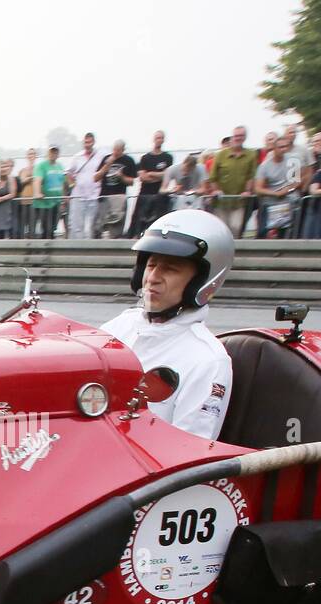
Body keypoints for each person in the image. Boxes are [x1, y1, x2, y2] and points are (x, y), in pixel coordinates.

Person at [100, 209, 235, 441]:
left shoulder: (207, 361)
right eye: (151, 265)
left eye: (170, 269)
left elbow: (189, 455)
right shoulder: (120, 326)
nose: (152, 277)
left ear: (201, 281)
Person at [208, 126, 257, 237]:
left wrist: (248, 191)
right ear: (232, 137)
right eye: (236, 136)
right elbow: (213, 176)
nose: (238, 138)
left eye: (241, 136)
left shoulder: (251, 155)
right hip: (221, 201)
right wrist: (216, 190)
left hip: (239, 201)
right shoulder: (221, 154)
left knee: (236, 228)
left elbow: (251, 176)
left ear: (245, 137)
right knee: (221, 230)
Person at [130, 130, 173, 237]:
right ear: (154, 139)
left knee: (159, 220)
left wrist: (152, 173)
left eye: (161, 138)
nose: (159, 140)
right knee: (141, 220)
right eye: (158, 138)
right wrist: (159, 175)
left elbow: (168, 175)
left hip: (160, 195)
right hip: (145, 194)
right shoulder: (145, 158)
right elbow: (143, 177)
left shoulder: (168, 157)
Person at [255, 137, 301, 237]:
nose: (283, 149)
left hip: (288, 201)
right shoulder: (264, 166)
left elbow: (296, 182)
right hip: (270, 202)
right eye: (280, 147)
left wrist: (287, 190)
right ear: (274, 149)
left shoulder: (294, 161)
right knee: (263, 231)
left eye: (285, 147)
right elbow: (258, 188)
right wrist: (276, 193)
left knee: (285, 232)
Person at [95, 139, 137, 238]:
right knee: (101, 224)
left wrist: (122, 176)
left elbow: (132, 182)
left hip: (119, 197)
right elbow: (96, 178)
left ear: (123, 150)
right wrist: (107, 165)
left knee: (116, 225)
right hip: (105, 196)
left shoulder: (129, 160)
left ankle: (115, 239)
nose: (115, 152)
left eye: (118, 150)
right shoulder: (106, 159)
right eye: (114, 150)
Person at [66, 132, 105, 238]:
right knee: (77, 225)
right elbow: (68, 172)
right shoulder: (77, 157)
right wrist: (71, 185)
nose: (87, 144)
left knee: (90, 226)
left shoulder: (100, 156)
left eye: (89, 142)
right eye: (86, 142)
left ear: (93, 142)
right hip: (78, 196)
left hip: (94, 195)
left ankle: (89, 247)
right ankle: (77, 249)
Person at [32, 145, 66, 239]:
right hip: (44, 203)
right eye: (51, 152)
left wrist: (63, 198)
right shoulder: (41, 165)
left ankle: (51, 248)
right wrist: (37, 192)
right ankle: (44, 248)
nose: (53, 154)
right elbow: (37, 179)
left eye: (55, 152)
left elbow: (61, 182)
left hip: (56, 202)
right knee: (46, 228)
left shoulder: (60, 166)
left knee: (53, 228)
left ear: (58, 154)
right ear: (48, 153)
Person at [15, 148, 38, 237]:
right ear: (26, 156)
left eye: (33, 154)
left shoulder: (39, 168)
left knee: (33, 226)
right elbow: (20, 182)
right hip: (23, 201)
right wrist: (28, 179)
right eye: (29, 154)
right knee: (22, 225)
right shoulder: (22, 170)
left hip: (34, 201)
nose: (31, 156)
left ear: (35, 156)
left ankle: (32, 247)